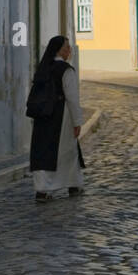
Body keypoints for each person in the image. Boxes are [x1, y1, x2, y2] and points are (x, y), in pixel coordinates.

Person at [28, 34, 85, 202]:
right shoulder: (66, 70)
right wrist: (77, 121)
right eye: (67, 48)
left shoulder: (43, 68)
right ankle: (73, 185)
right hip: (62, 117)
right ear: (61, 51)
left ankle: (42, 190)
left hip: (42, 117)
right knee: (67, 152)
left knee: (42, 152)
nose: (70, 50)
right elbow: (73, 98)